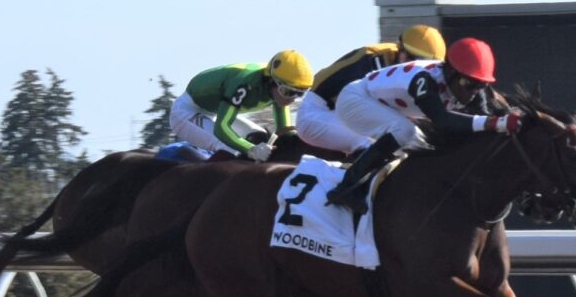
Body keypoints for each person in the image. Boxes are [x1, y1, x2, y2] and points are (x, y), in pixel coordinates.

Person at [324, 37, 521, 212]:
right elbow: (442, 120)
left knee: (422, 144)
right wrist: (495, 123)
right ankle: (345, 188)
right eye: (468, 84)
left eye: (480, 85)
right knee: (405, 131)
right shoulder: (424, 79)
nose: (473, 92)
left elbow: (483, 127)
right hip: (354, 100)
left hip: (385, 107)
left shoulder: (470, 86)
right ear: (451, 72)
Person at [296, 25, 447, 155]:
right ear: (400, 49)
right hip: (316, 114)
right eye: (412, 59)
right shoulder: (373, 63)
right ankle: (349, 187)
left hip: (341, 112)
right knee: (372, 140)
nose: (415, 68)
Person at [168, 50, 313, 162]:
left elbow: (283, 132)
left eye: (299, 94)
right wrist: (250, 149)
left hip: (213, 111)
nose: (292, 99)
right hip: (186, 111)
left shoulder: (275, 86)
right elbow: (221, 128)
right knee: (231, 147)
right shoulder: (244, 83)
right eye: (287, 92)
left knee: (260, 137)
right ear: (272, 81)